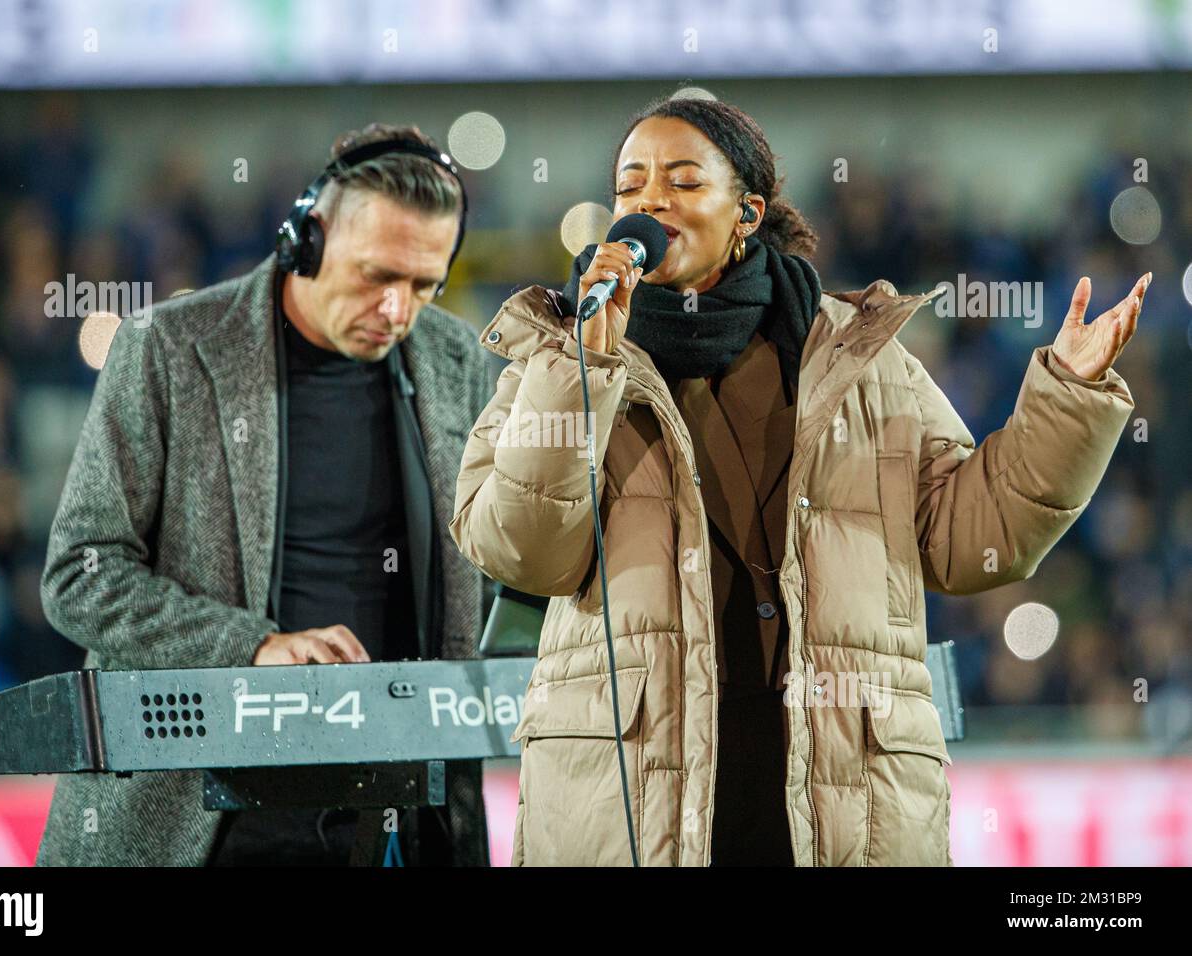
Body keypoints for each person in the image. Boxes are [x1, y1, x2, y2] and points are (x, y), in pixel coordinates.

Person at [449, 97, 1143, 866]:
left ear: (747, 212)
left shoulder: (861, 359)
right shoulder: (556, 356)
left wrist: (1068, 396)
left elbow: (971, 541)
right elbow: (521, 551)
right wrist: (579, 370)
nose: (650, 201)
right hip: (635, 802)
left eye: (683, 181)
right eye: (632, 184)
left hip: (839, 793)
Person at [37, 123, 496, 866]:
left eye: (423, 285)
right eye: (376, 275)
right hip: (204, 815)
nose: (396, 309)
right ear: (306, 240)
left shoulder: (458, 363)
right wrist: (251, 648)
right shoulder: (169, 348)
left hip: (397, 816)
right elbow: (79, 575)